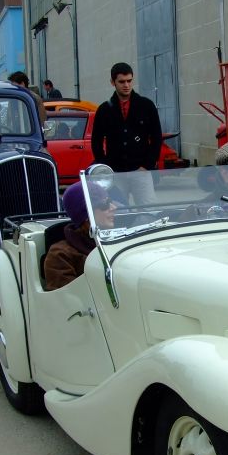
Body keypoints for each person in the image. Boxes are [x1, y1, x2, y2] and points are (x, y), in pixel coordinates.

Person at [91, 62, 162, 207]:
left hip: (141, 171)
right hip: (116, 172)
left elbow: (157, 137)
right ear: (113, 82)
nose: (126, 85)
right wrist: (105, 167)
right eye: (122, 81)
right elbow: (96, 141)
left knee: (150, 211)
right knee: (117, 212)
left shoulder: (146, 106)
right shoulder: (104, 110)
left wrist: (147, 165)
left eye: (129, 81)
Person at [44, 182, 117, 290]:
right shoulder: (61, 255)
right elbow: (68, 299)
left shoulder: (119, 240)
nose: (114, 207)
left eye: (110, 201)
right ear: (87, 215)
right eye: (104, 204)